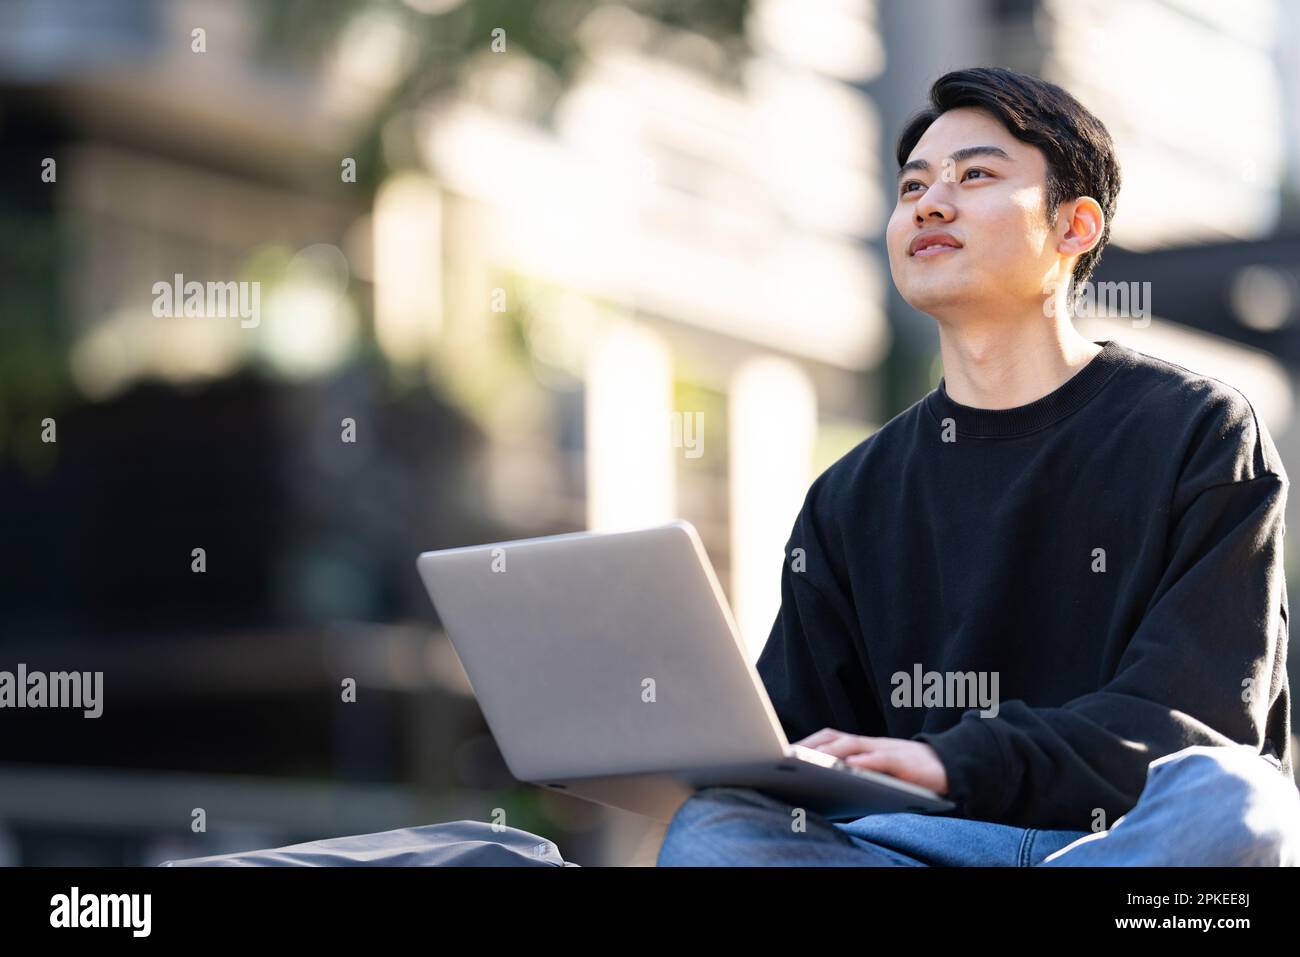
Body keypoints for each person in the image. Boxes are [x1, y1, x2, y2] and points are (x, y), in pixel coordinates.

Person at [658, 66, 1300, 866]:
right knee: (717, 831)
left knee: (1240, 801)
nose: (929, 202)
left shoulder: (1197, 430)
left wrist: (957, 759)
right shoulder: (851, 495)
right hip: (915, 850)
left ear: (1075, 227)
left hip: (1121, 847)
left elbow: (1191, 721)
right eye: (912, 186)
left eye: (976, 176)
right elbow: (798, 751)